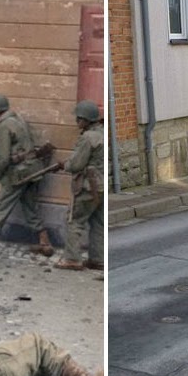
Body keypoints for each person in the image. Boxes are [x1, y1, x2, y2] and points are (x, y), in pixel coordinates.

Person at [0, 94, 53, 257]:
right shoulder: (19, 119)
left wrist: (0, 173)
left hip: (18, 173)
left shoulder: (4, 125)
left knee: (2, 205)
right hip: (33, 170)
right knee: (30, 207)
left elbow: (1, 155)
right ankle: (44, 241)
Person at [55, 101, 104, 271]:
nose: (77, 122)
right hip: (101, 187)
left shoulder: (88, 138)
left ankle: (72, 259)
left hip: (87, 187)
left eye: (79, 119)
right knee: (98, 223)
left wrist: (65, 165)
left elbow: (76, 164)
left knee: (74, 221)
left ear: (86, 120)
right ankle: (98, 259)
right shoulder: (103, 134)